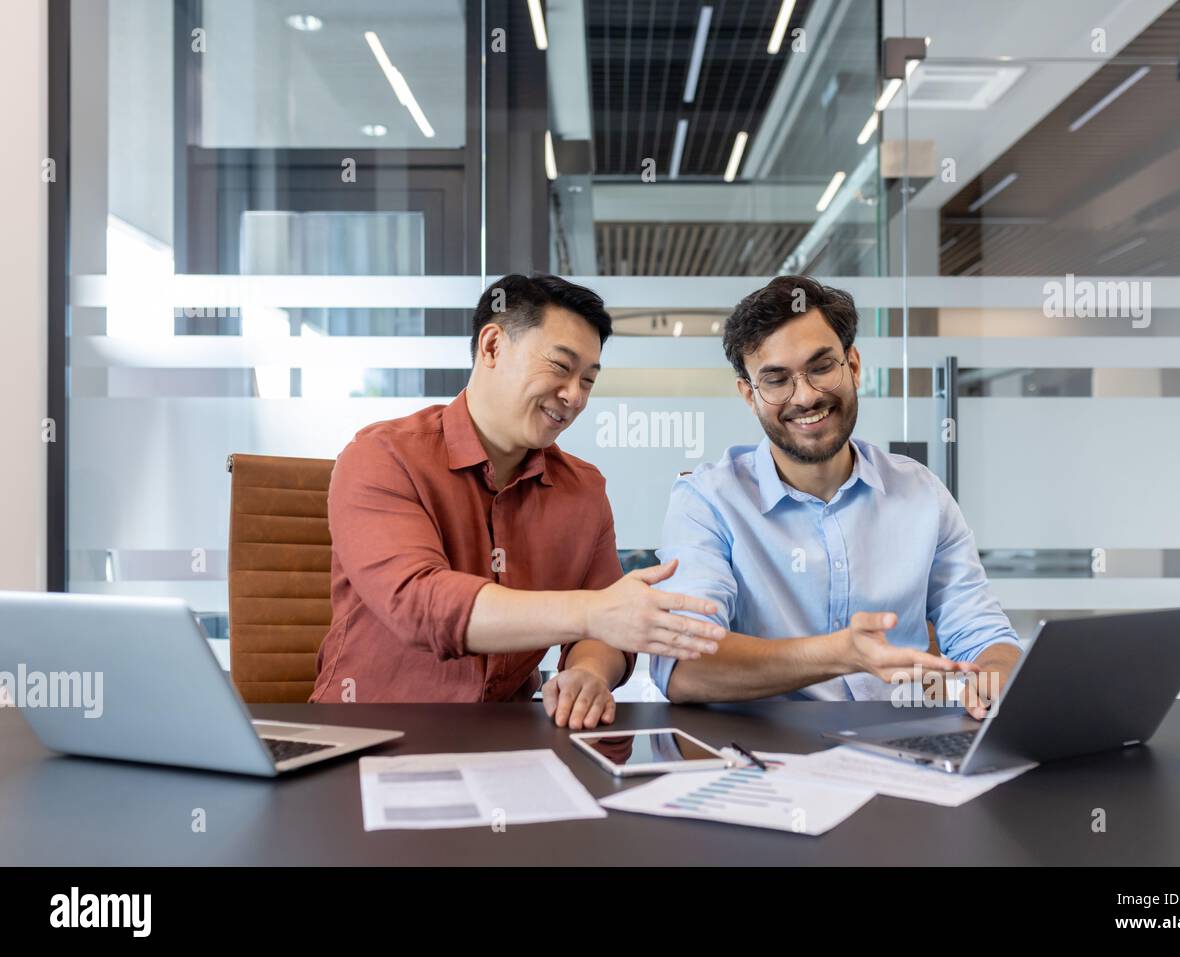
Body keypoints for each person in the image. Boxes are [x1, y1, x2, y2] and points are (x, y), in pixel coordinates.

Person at [311, 273, 725, 727]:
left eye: (588, 380)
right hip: (368, 737)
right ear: (492, 347)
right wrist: (593, 613)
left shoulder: (583, 490)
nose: (574, 396)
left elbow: (609, 627)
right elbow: (421, 604)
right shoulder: (382, 456)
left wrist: (587, 673)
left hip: (506, 742)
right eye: (561, 367)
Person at [650, 276, 1021, 717]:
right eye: (776, 380)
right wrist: (839, 654)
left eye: (822, 367)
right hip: (761, 758)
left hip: (901, 749)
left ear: (854, 366)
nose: (805, 396)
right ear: (749, 395)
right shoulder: (708, 502)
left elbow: (984, 635)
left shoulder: (920, 493)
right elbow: (684, 668)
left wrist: (993, 678)